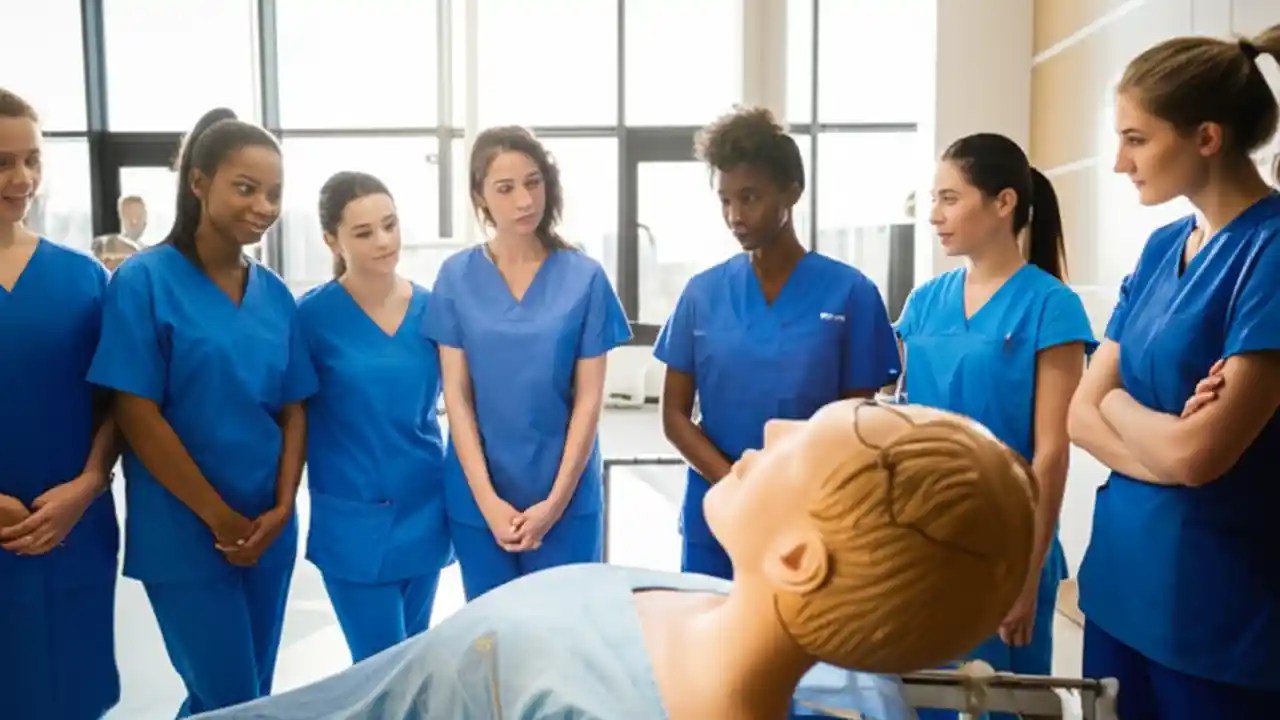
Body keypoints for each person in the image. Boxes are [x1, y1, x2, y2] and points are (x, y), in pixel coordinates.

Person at [189, 398, 1038, 720]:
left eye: (803, 445)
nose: (773, 428)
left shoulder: (585, 702)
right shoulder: (727, 604)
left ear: (798, 558)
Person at [1067, 26, 1280, 718]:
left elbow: (1202, 451)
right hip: (1121, 588)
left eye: (1136, 139)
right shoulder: (1163, 247)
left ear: (1207, 138)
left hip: (1219, 614)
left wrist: (1120, 405)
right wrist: (1167, 441)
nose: (1119, 162)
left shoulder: (1270, 251)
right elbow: (1080, 413)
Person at [87, 108, 319, 717]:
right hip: (185, 529)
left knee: (246, 700)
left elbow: (293, 408)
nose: (263, 206)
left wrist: (280, 507)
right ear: (198, 182)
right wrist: (219, 518)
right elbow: (137, 415)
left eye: (273, 193)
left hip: (267, 527)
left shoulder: (275, 294)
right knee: (230, 696)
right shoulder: (142, 282)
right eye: (245, 188)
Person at [653, 107, 900, 580]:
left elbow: (854, 424)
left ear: (792, 191)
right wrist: (738, 486)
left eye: (750, 197)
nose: (735, 215)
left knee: (809, 650)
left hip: (812, 514)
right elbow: (674, 416)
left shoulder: (851, 294)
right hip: (718, 511)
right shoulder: (701, 295)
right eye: (725, 200)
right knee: (714, 647)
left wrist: (785, 494)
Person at [896, 133, 1095, 719]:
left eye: (950, 198)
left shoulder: (1050, 306)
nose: (935, 215)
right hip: (928, 541)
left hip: (1010, 547)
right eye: (933, 199)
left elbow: (1053, 452)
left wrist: (1029, 578)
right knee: (926, 696)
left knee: (1010, 702)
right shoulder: (924, 302)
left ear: (1003, 202)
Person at [422, 126, 632, 601]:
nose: (524, 200)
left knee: (565, 637)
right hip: (480, 498)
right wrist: (490, 504)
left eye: (533, 182)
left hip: (565, 495)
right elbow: (455, 394)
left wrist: (554, 504)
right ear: (481, 197)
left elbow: (589, 401)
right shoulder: (456, 277)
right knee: (494, 644)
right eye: (505, 188)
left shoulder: (585, 278)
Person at [0, 88, 121, 720]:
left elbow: (115, 405)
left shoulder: (83, 279)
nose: (22, 179)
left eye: (32, 159)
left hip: (73, 528)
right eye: (2, 162)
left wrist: (90, 483)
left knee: (73, 692)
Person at [297, 171, 452, 664]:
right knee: (379, 672)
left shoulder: (433, 309)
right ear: (332, 240)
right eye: (364, 233)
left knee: (412, 668)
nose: (384, 242)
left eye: (390, 225)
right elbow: (288, 419)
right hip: (353, 522)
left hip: (425, 510)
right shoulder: (309, 318)